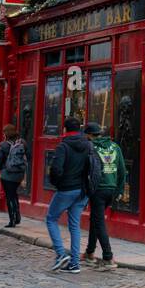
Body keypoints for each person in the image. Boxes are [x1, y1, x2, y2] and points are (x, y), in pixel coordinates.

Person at [44, 117, 91, 273]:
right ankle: (75, 263)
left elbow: (56, 170)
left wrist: (58, 184)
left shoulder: (63, 146)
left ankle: (61, 254)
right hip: (82, 191)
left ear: (65, 129)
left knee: (51, 218)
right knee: (74, 226)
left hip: (66, 189)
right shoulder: (88, 145)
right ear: (79, 129)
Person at [81, 121, 126, 270]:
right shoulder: (115, 147)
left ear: (89, 135)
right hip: (111, 189)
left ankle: (108, 257)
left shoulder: (91, 147)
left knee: (99, 222)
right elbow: (121, 171)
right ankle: (89, 252)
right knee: (96, 218)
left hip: (98, 189)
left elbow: (86, 170)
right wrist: (119, 190)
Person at [0, 124, 27, 228]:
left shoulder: (3, 145)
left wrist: (3, 169)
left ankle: (12, 220)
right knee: (14, 194)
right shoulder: (23, 142)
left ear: (5, 133)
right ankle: (17, 216)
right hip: (19, 174)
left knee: (9, 196)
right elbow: (29, 157)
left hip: (7, 174)